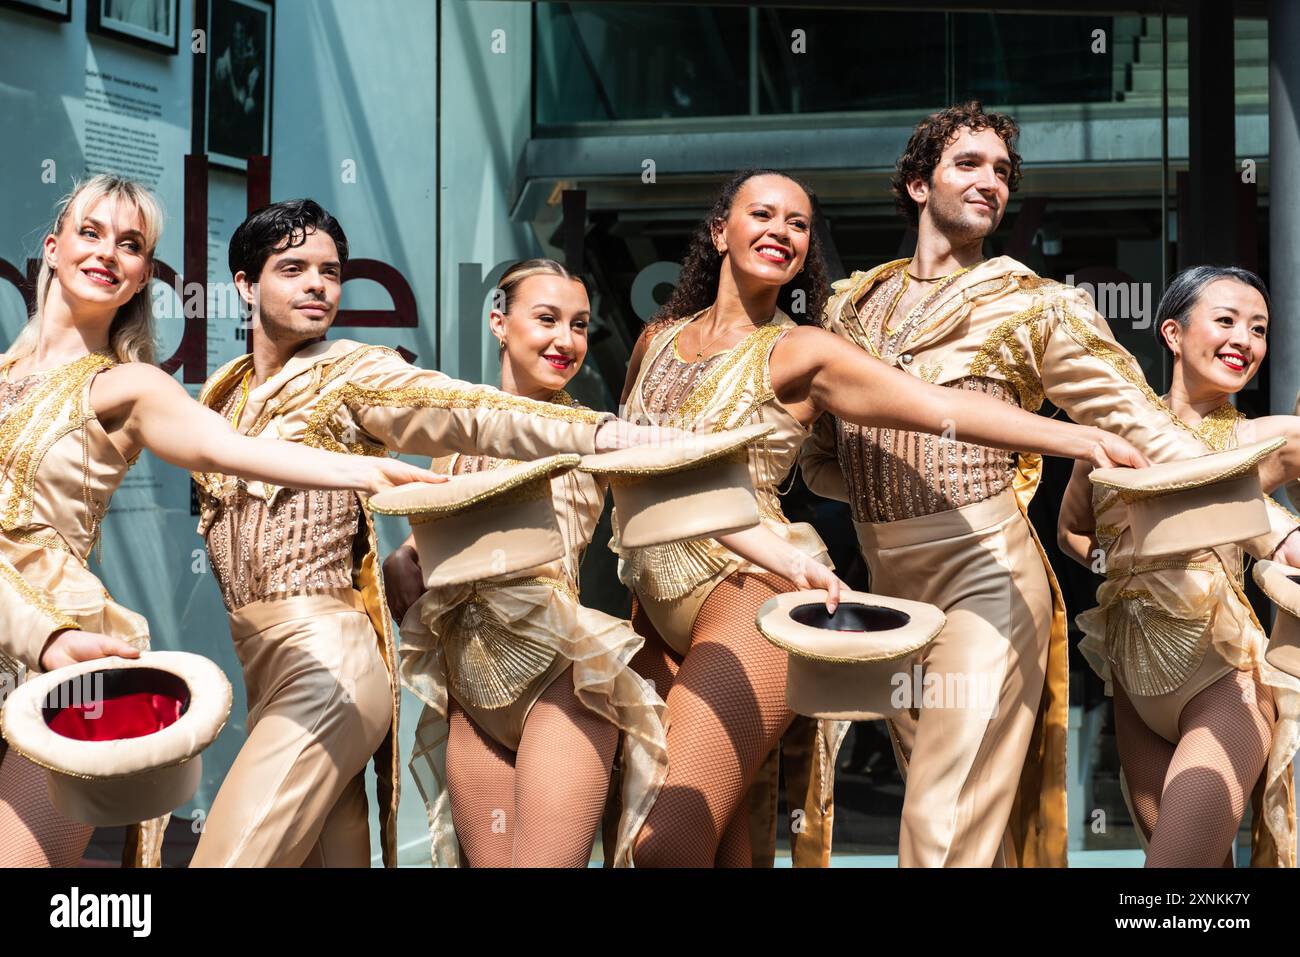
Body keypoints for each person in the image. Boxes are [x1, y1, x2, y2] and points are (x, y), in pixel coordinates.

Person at [799, 101, 1300, 867]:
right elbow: (821, 461)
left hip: (986, 578)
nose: (989, 181)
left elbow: (1144, 428)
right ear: (914, 184)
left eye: (1002, 171)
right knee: (973, 830)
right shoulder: (846, 308)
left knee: (939, 823)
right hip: (890, 593)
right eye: (969, 164)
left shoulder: (1038, 306)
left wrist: (1274, 529)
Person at [619, 165, 1148, 867]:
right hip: (647, 602)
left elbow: (938, 408)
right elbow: (624, 471)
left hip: (747, 587)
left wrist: (1078, 436)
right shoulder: (654, 337)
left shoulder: (804, 350)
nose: (781, 231)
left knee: (665, 835)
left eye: (799, 224)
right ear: (720, 230)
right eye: (763, 215)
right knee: (714, 842)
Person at [189, 201, 674, 867]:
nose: (316, 284)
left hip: (494, 671)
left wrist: (605, 432)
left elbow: (468, 410)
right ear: (245, 284)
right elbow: (411, 566)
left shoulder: (352, 370)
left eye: (330, 271)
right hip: (435, 683)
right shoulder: (222, 397)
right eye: (294, 268)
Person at [0, 175, 442, 867]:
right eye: (91, 233)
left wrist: (364, 471)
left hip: (65, 660)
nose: (108, 252)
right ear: (52, 249)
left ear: (144, 274)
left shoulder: (131, 384)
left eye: (131, 244)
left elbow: (236, 451)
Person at [1059, 265, 1300, 867]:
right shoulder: (1106, 431)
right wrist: (1113, 561)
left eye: (1259, 329)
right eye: (1225, 321)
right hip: (1131, 684)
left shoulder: (1262, 439)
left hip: (1223, 681)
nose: (1244, 340)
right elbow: (1071, 530)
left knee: (1170, 876)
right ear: (1172, 333)